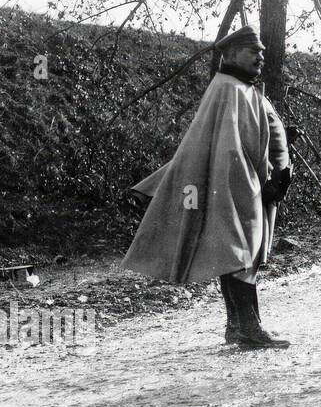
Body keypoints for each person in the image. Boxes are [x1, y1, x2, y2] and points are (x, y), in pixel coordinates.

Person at [122, 25, 292, 349]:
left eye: (262, 53)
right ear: (230, 54)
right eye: (252, 51)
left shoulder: (237, 86)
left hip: (243, 184)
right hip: (238, 187)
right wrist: (258, 190)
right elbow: (229, 149)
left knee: (237, 251)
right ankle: (249, 328)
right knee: (241, 251)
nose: (261, 56)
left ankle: (238, 326)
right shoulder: (229, 88)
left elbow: (245, 135)